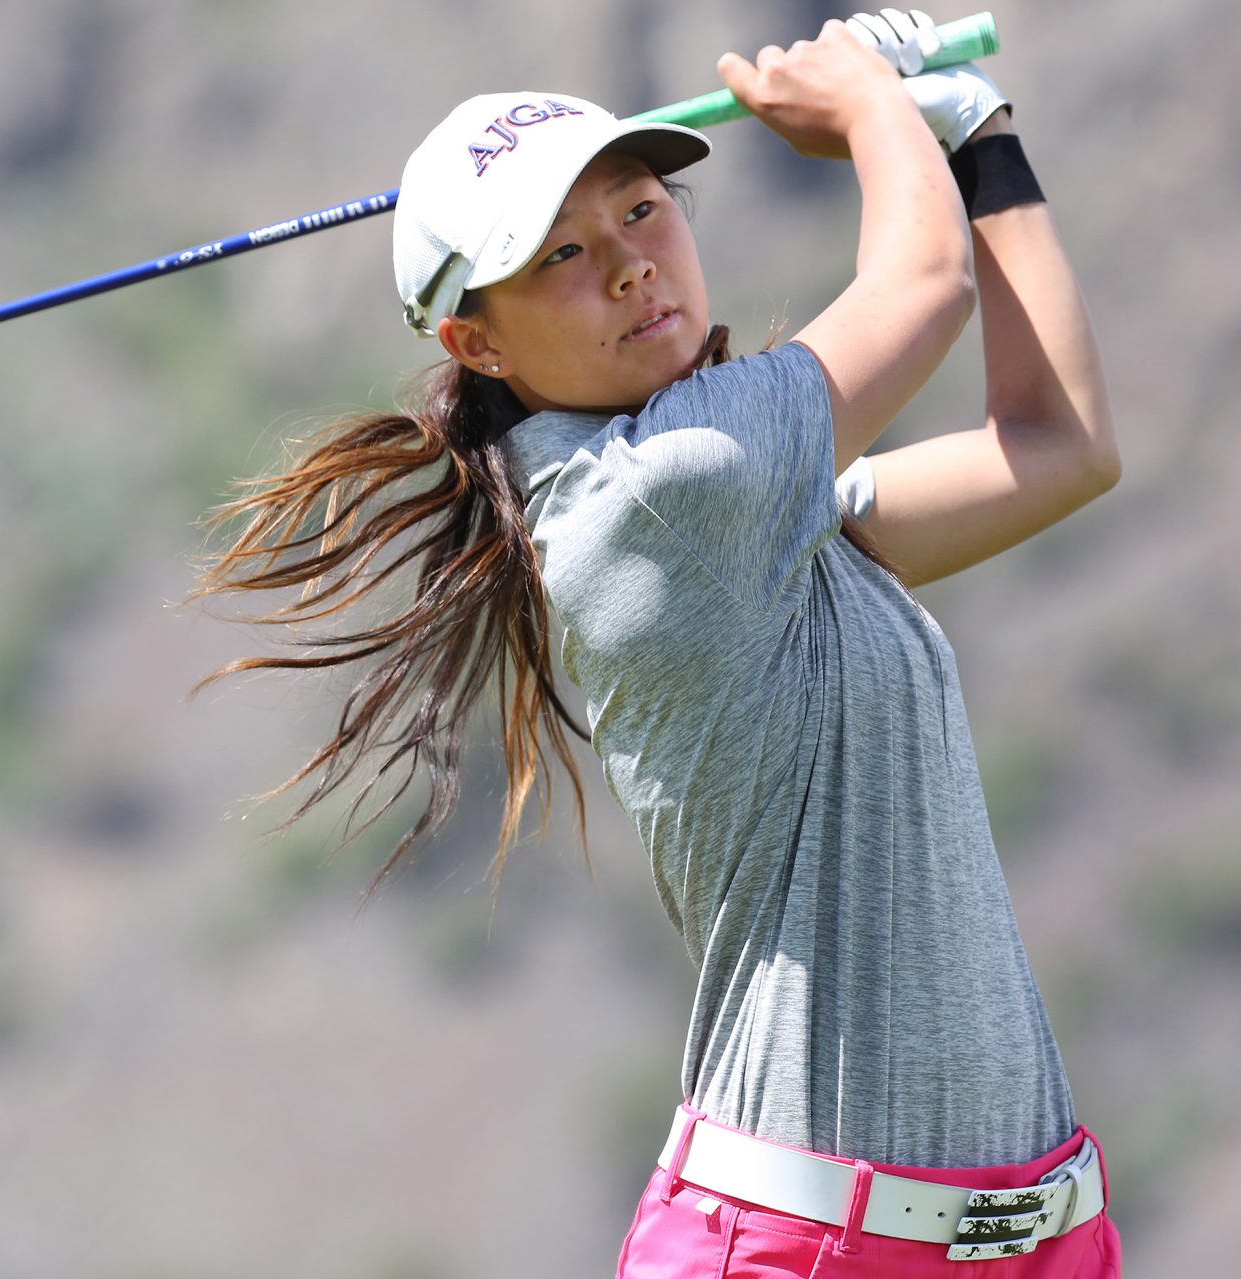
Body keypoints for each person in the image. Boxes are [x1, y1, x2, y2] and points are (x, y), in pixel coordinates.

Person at [187, 8, 1122, 1276]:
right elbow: (923, 286)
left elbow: (1059, 448)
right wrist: (867, 107)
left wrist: (979, 143)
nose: (629, 264)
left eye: (640, 210)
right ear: (475, 342)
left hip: (1041, 1235)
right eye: (558, 252)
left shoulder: (745, 520)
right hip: (810, 1249)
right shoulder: (662, 497)